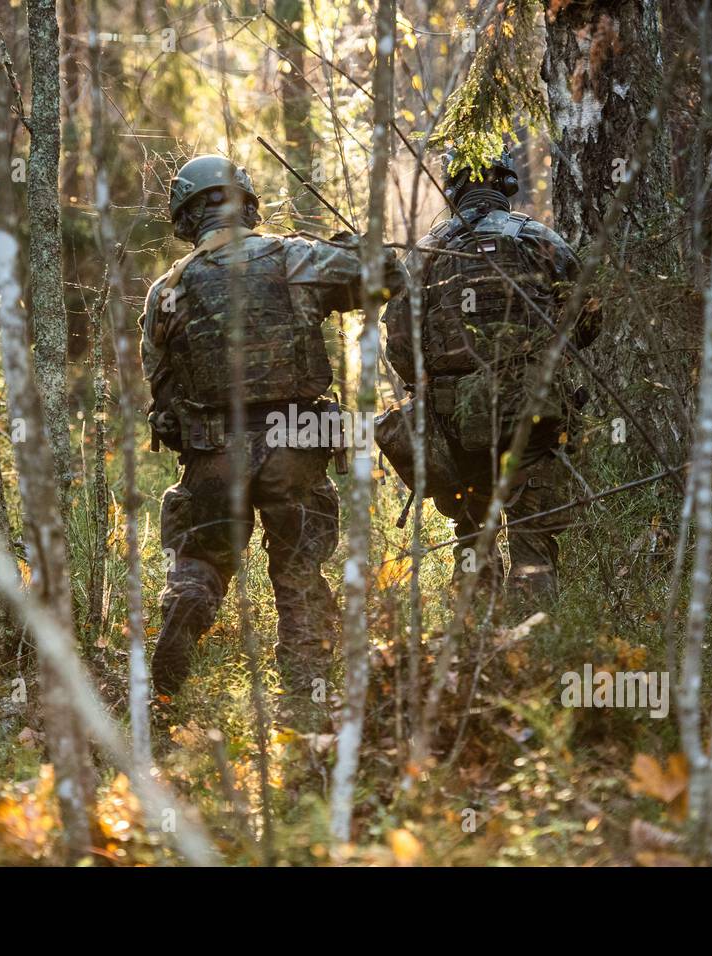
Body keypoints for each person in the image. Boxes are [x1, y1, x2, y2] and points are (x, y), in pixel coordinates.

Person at [140, 154, 400, 726]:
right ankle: (304, 698)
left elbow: (160, 389)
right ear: (246, 201)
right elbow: (388, 277)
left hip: (212, 452)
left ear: (188, 216)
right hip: (295, 441)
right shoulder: (294, 257)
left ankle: (183, 622)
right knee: (299, 567)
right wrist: (359, 247)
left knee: (203, 561)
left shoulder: (167, 290)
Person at [376, 148, 597, 602]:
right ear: (505, 184)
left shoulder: (425, 254)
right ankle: (536, 647)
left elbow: (398, 341)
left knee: (473, 538)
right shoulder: (538, 239)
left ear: (452, 188)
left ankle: (475, 645)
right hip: (532, 416)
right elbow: (589, 314)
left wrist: (431, 386)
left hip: (457, 422)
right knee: (533, 540)